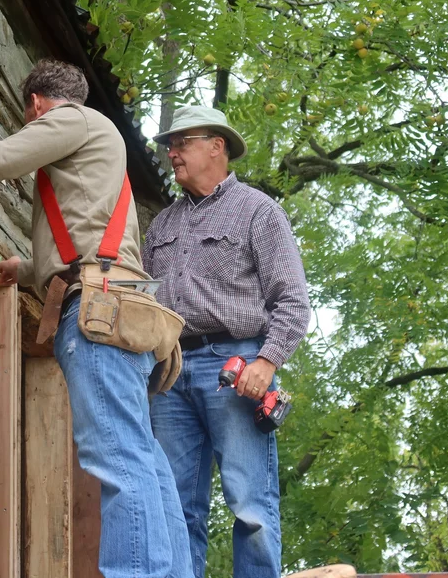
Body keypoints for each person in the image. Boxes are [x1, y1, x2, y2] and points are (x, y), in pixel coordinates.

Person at [0, 59, 193, 578]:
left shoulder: (72, 120)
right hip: (120, 302)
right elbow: (80, 240)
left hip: (99, 311)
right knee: (142, 458)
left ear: (35, 105)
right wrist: (25, 268)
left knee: (117, 457)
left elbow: (0, 160)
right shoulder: (98, 151)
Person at [142, 106, 311, 578]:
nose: (171, 152)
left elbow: (293, 302)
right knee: (174, 505)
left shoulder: (258, 211)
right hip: (168, 372)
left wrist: (267, 360)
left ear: (217, 146)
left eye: (182, 143)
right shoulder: (160, 227)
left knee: (250, 502)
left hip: (235, 368)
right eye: (169, 145)